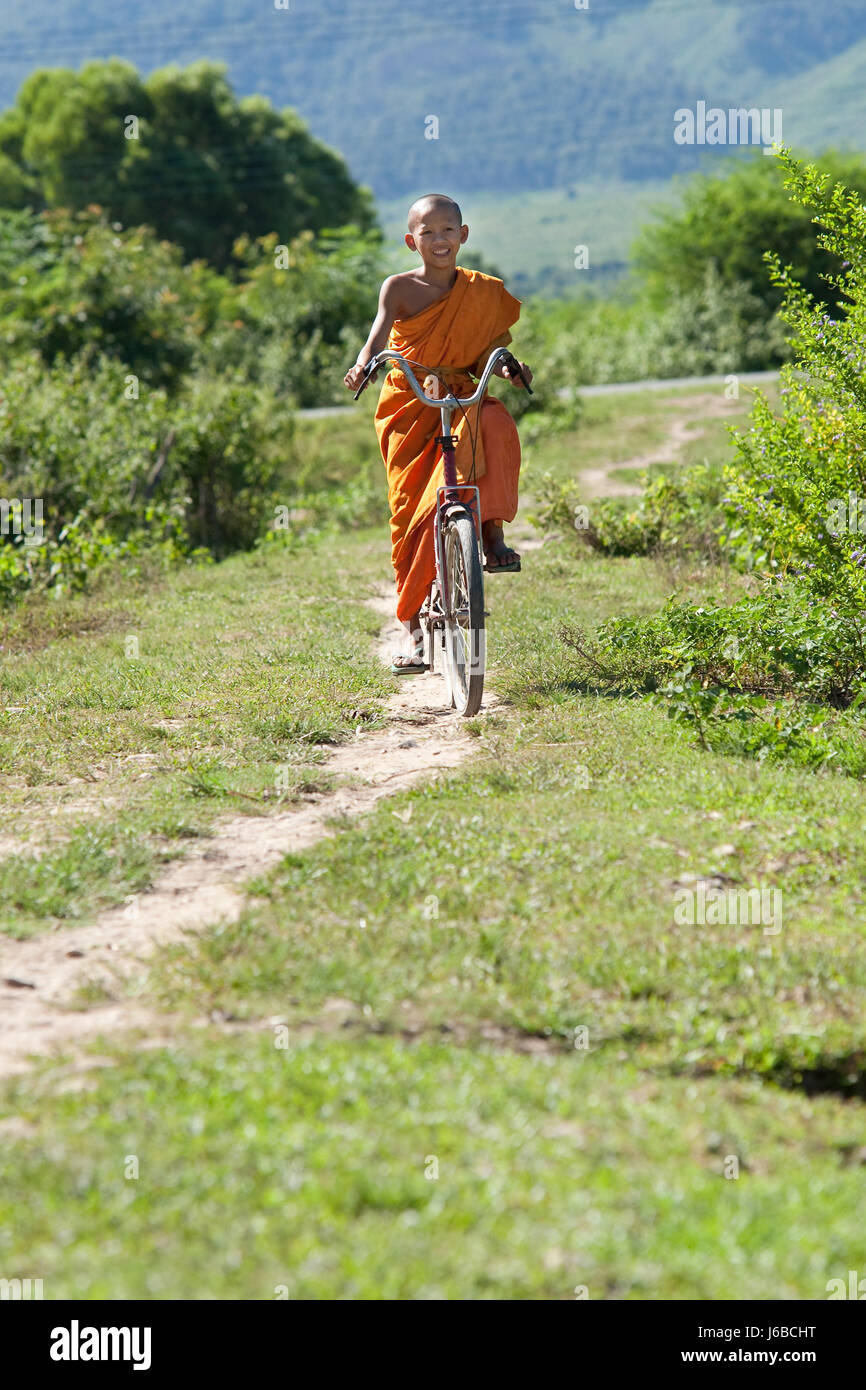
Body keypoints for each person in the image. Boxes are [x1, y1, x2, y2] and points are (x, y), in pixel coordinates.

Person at [344, 194, 532, 673]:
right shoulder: (399, 288)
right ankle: (414, 636)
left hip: (460, 392)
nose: (439, 239)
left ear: (463, 235)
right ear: (412, 241)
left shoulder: (482, 292)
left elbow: (489, 348)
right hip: (409, 399)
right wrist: (362, 365)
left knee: (494, 420)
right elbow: (377, 336)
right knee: (411, 511)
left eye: (448, 230)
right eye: (428, 232)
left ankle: (490, 533)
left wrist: (510, 369)